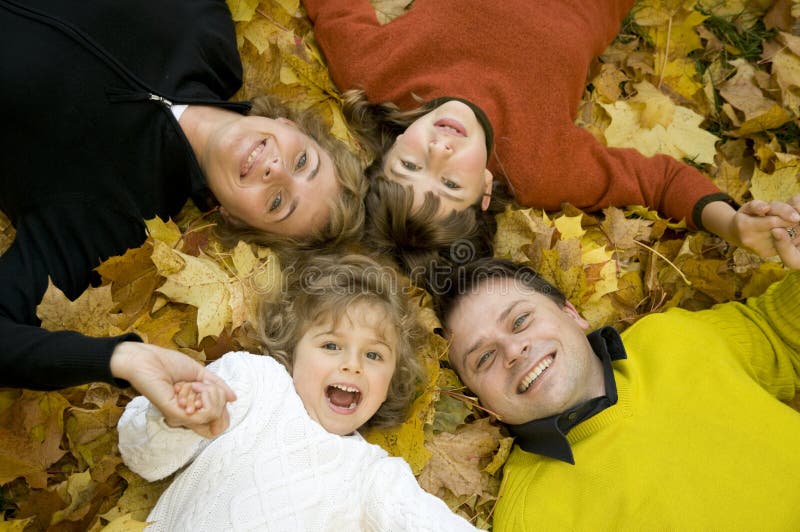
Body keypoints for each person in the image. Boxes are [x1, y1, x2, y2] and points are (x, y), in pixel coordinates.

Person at [0, 0, 366, 411]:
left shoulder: (109, 221)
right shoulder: (210, 37)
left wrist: (120, 358)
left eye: (279, 202)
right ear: (290, 126)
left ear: (234, 219)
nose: (277, 170)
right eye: (303, 162)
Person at [301, 0, 800, 275]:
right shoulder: (539, 165)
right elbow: (658, 183)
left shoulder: (376, 73)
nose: (438, 151)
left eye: (410, 166)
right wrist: (732, 225)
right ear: (486, 191)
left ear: (389, 149)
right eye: (450, 184)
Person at [435, 214, 800, 530]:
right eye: (483, 359)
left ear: (572, 313)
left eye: (520, 320)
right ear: (478, 401)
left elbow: (782, 332)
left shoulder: (669, 336)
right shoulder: (528, 516)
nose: (514, 351)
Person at [117, 255, 478, 531]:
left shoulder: (373, 475)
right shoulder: (255, 382)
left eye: (373, 355)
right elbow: (144, 460)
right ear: (293, 351)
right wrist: (179, 418)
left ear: (389, 384)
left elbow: (426, 522)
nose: (353, 365)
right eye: (331, 345)